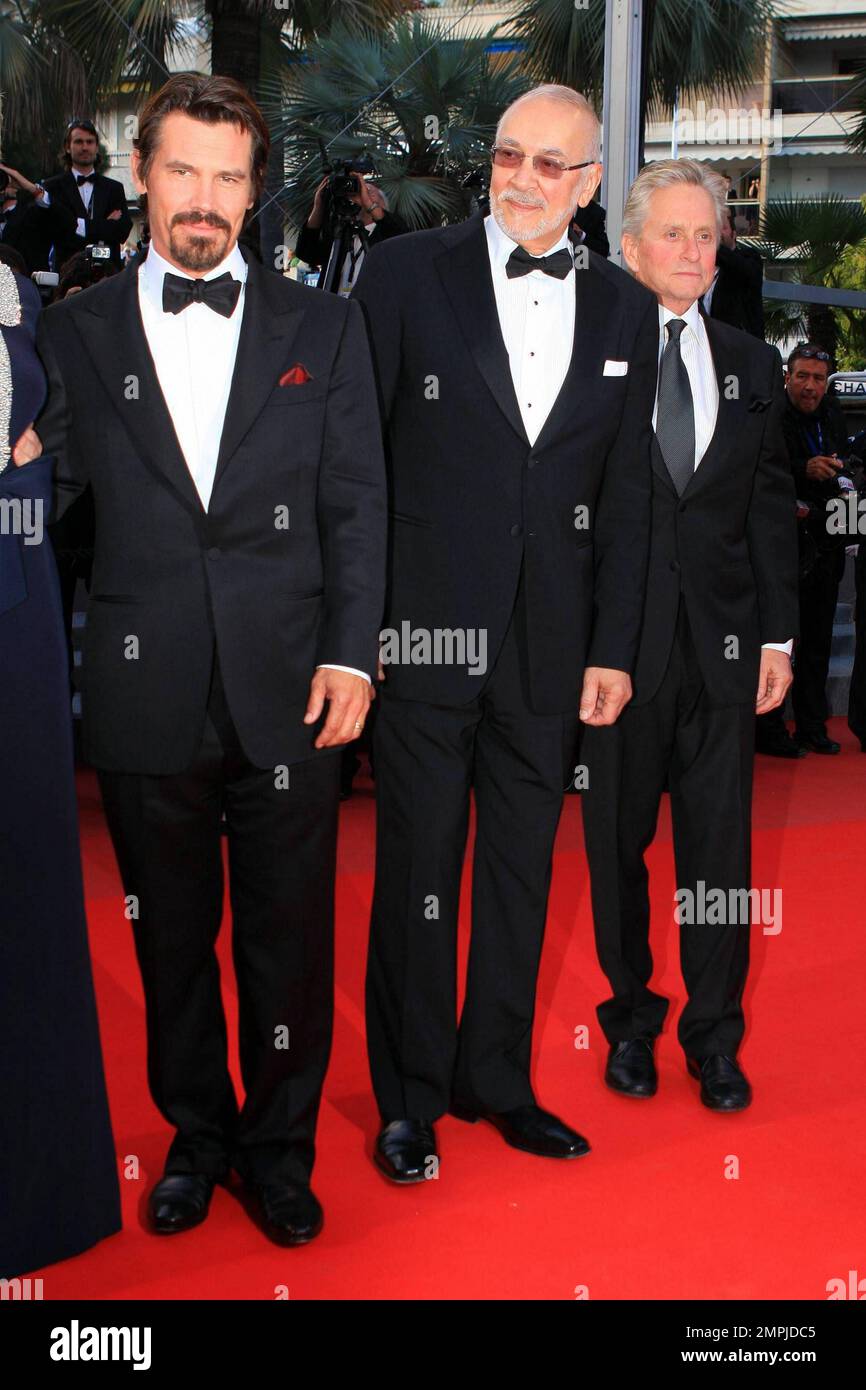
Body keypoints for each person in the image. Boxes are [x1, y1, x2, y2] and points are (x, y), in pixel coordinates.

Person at [33, 74, 386, 1247]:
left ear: (253, 189)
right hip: (143, 687)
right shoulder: (71, 333)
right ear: (142, 172)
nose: (203, 199)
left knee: (290, 940)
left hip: (290, 686)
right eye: (183, 170)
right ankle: (196, 1135)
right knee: (168, 938)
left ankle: (278, 1150)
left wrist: (353, 657)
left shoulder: (321, 326)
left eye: (228, 176)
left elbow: (355, 505)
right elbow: (57, 506)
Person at [353, 83, 658, 1183]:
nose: (521, 179)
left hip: (551, 648)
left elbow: (626, 497)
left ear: (587, 185)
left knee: (522, 872)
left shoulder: (625, 309)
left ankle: (498, 1079)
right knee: (418, 871)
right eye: (508, 155)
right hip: (423, 638)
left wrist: (612, 647)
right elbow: (360, 465)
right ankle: (408, 1097)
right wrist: (361, 628)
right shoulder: (401, 274)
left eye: (549, 164)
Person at [581, 159, 799, 1112]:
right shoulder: (591, 365)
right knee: (615, 852)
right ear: (630, 249)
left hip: (721, 657)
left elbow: (766, 510)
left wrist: (780, 641)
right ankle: (630, 1021)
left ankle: (716, 1039)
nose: (688, 251)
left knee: (722, 861)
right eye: (669, 233)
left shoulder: (753, 366)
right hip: (618, 659)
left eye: (704, 235)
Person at [0, 261, 121, 1278]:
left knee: (23, 898)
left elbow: (63, 430)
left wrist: (30, 479)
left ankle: (21, 1203)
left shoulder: (11, 289)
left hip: (12, 617)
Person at [783, 344, 850, 754]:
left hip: (827, 544)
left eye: (819, 378)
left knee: (819, 641)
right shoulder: (770, 416)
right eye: (803, 376)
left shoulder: (834, 416)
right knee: (779, 641)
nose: (811, 386)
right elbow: (756, 469)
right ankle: (770, 731)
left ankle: (812, 725)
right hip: (783, 547)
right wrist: (801, 468)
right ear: (788, 376)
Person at [38, 119, 132, 270]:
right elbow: (57, 233)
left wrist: (79, 226)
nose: (85, 147)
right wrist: (104, 226)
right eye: (79, 142)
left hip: (108, 276)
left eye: (90, 142)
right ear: (67, 147)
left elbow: (122, 231)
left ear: (96, 147)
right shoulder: (52, 187)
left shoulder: (114, 188)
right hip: (67, 275)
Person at [296, 173, 407, 293]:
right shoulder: (342, 232)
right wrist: (318, 207)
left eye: (370, 191)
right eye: (361, 189)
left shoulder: (389, 233)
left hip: (371, 307)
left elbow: (401, 238)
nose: (363, 194)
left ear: (383, 205)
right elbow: (306, 253)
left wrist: (369, 204)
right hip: (335, 305)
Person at [702, 208, 764, 340]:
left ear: (734, 234)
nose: (717, 234)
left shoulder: (748, 257)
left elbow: (744, 270)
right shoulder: (701, 269)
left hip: (740, 347)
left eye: (723, 228)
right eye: (714, 230)